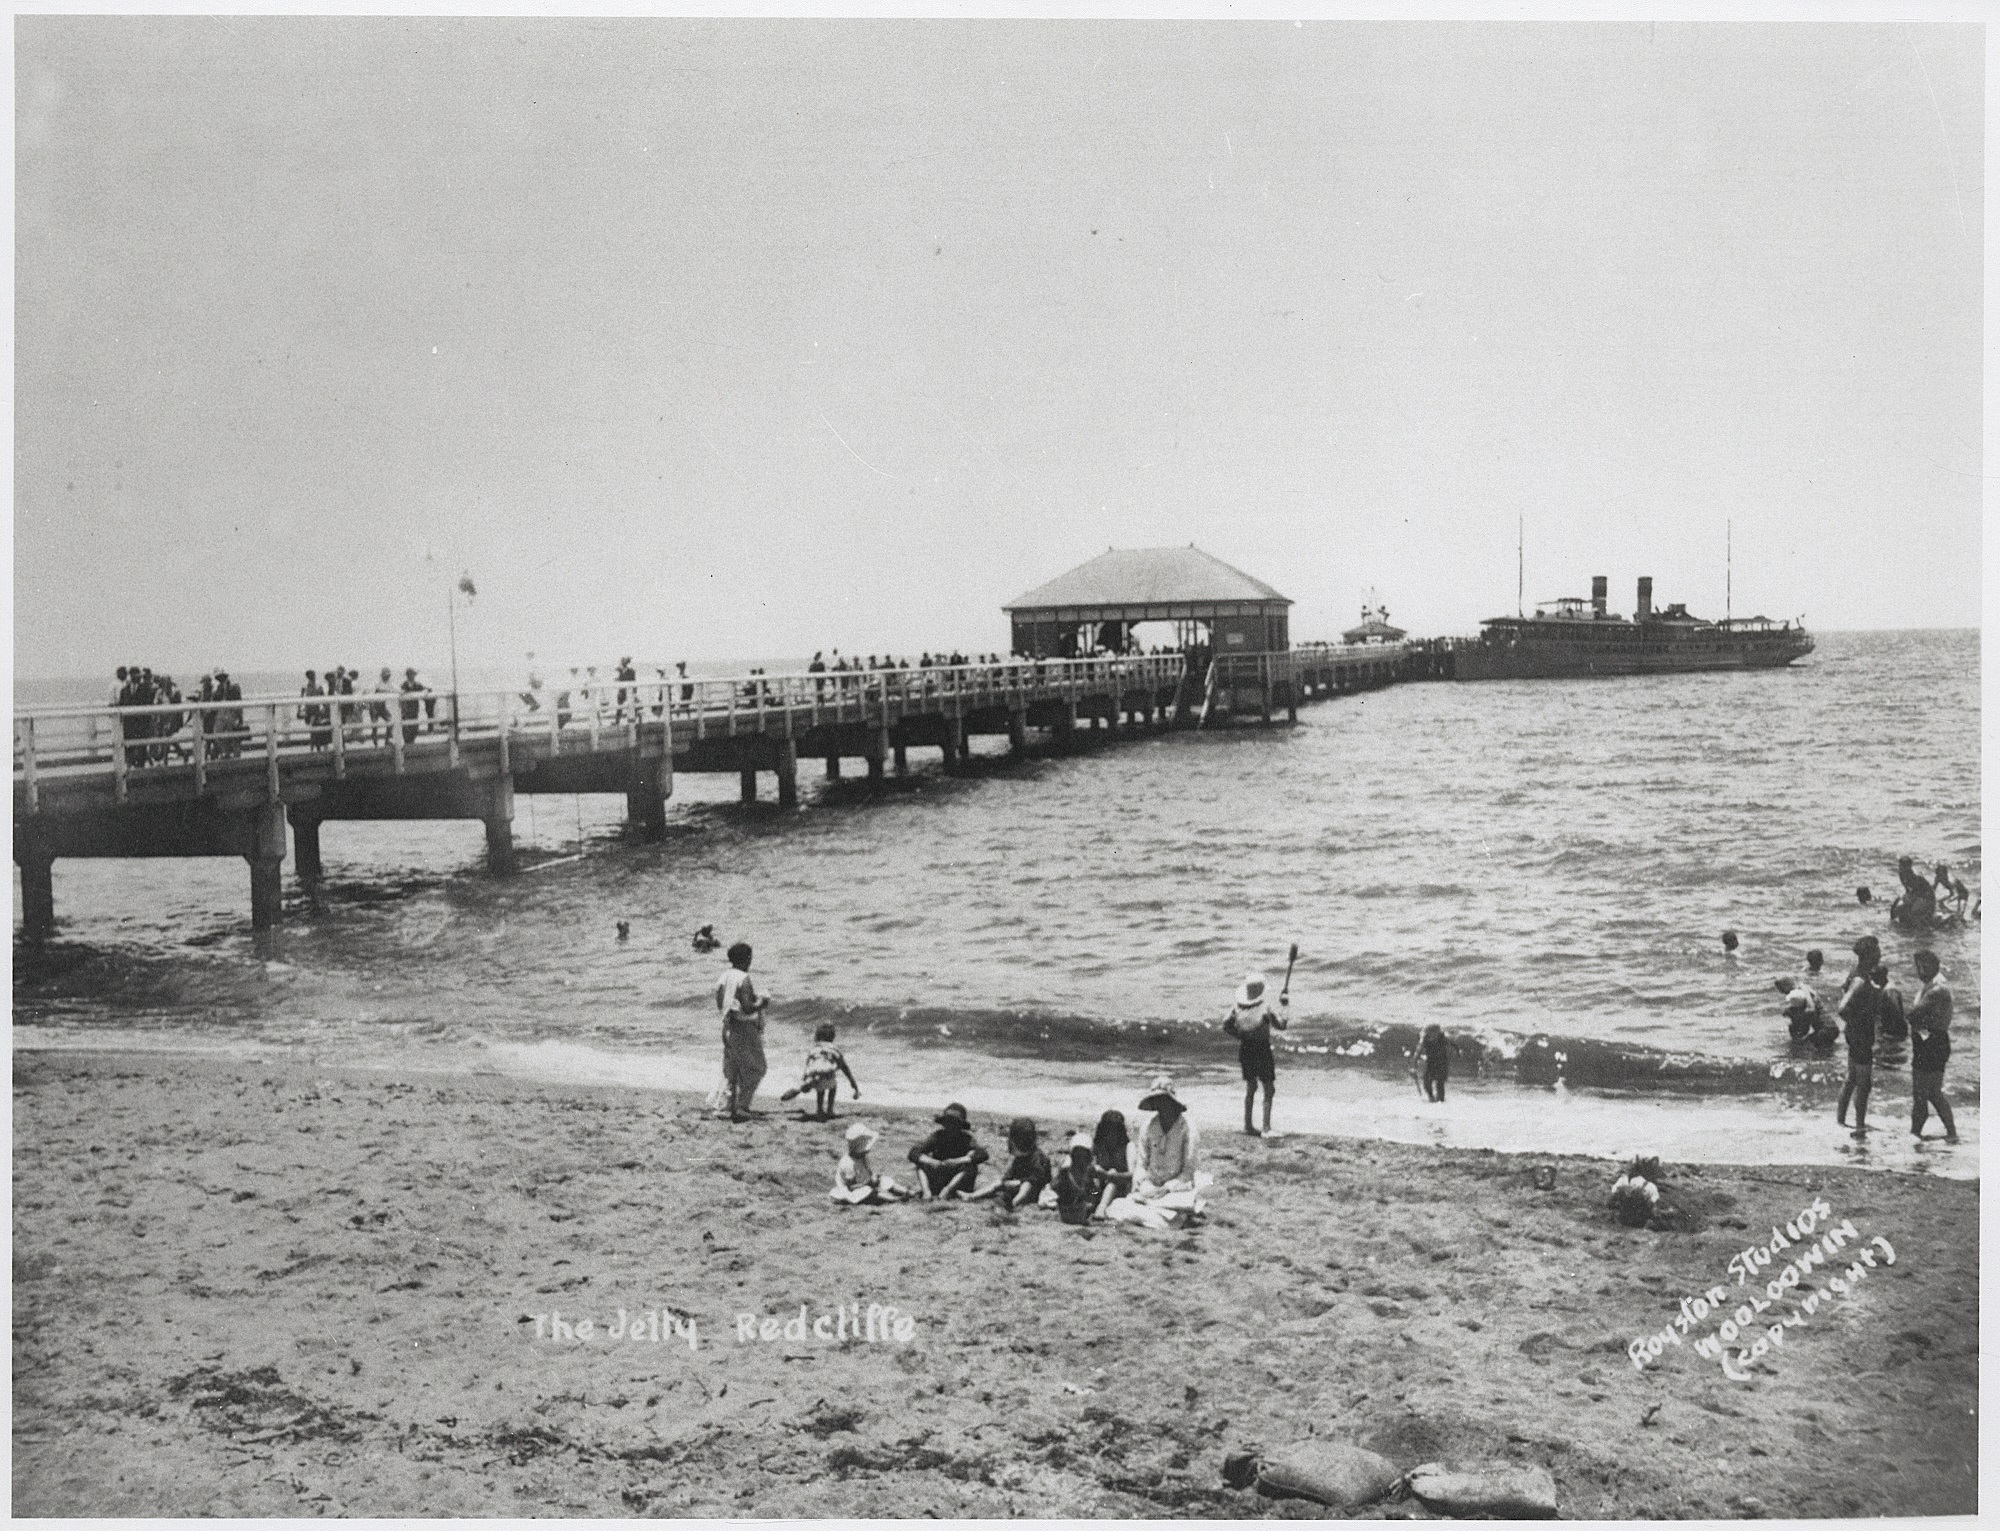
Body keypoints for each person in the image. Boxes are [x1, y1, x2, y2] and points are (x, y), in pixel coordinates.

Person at [1222, 971, 1288, 1136]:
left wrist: (1239, 1035)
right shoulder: (1265, 1008)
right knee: (1268, 1088)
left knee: (1251, 1087)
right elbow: (1281, 1025)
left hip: (1245, 1049)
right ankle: (1266, 1128)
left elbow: (1225, 1024)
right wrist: (1284, 1005)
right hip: (1262, 1049)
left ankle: (1248, 1125)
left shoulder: (1237, 1007)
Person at [714, 941, 769, 1123]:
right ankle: (742, 1106)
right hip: (743, 1028)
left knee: (732, 1069)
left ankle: (726, 1106)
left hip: (728, 1025)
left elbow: (721, 1002)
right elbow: (747, 1008)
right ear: (746, 959)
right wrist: (762, 1003)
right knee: (757, 1067)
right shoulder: (743, 978)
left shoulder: (723, 976)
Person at [1906, 950, 1957, 1142]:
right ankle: (1950, 1133)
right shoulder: (1929, 986)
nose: (1920, 970)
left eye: (1924, 966)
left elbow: (1915, 1014)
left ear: (1935, 965)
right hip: (1929, 1041)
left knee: (1923, 1093)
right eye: (1918, 966)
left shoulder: (1938, 989)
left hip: (1933, 1042)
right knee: (1931, 1093)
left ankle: (1915, 1133)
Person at [1835, 937, 1880, 1134]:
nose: (1880, 954)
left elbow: (1842, 990)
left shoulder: (1855, 972)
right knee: (1864, 1083)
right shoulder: (1861, 980)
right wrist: (1858, 1022)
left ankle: (1841, 1120)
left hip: (1854, 1033)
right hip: (1860, 1034)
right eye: (1877, 951)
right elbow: (1843, 1007)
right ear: (1870, 954)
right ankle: (1860, 1124)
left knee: (1852, 1077)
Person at [779, 1022, 860, 1120]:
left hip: (814, 1077)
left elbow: (808, 1066)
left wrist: (804, 1080)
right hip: (827, 1076)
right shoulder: (834, 1049)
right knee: (833, 1086)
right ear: (832, 1036)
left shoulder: (814, 1049)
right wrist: (854, 1085)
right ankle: (830, 1110)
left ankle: (819, 1110)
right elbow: (845, 1068)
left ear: (817, 1036)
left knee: (820, 1089)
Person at [907, 1103, 987, 1200]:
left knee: (971, 1167)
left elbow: (983, 1154)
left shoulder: (966, 1139)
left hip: (957, 1178)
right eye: (948, 1122)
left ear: (960, 1125)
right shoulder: (937, 1136)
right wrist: (932, 1161)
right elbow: (914, 1153)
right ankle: (926, 1191)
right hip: (939, 1174)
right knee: (920, 1163)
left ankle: (948, 1190)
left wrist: (957, 1161)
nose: (950, 1126)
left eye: (954, 1122)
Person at [968, 1118, 1051, 1210]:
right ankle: (973, 1196)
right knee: (997, 1183)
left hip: (1035, 1190)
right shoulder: (1019, 1158)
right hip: (1017, 1186)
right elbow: (1010, 1173)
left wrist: (1019, 1182)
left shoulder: (1038, 1157)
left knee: (1026, 1185)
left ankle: (1014, 1203)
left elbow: (1038, 1179)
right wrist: (1005, 1181)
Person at [830, 1123, 906, 1205]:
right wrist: (869, 1183)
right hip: (854, 1189)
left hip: (866, 1181)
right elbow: (851, 1185)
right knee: (869, 1191)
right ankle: (894, 1199)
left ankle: (907, 1191)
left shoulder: (862, 1157)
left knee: (884, 1180)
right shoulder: (848, 1163)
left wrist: (873, 1177)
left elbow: (868, 1170)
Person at [1090, 1110, 1133, 1218]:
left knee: (1112, 1182)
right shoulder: (1097, 1145)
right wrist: (1095, 1170)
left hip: (1120, 1188)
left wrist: (1111, 1175)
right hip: (1099, 1187)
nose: (1111, 1133)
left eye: (1115, 1129)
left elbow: (1132, 1175)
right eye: (1107, 1129)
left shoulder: (1128, 1147)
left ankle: (1101, 1208)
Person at [1050, 1132, 1098, 1225]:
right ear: (1072, 1156)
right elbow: (1055, 1186)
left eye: (1084, 1156)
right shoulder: (1067, 1172)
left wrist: (1091, 1200)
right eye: (1077, 1156)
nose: (1080, 1160)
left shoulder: (1089, 1172)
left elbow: (1093, 1190)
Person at [1870, 964, 1908, 1069]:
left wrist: (1889, 1031)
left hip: (1893, 1031)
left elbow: (1896, 1011)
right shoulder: (1885, 989)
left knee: (1887, 1057)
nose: (1872, 978)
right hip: (1890, 1031)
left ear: (1882, 976)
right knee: (1884, 1056)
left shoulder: (1890, 990)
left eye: (1874, 975)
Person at [1775, 976, 1830, 1045]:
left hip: (1825, 1030)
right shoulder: (1804, 988)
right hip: (1829, 1028)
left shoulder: (1802, 990)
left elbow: (1811, 1009)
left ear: (1787, 984)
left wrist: (1793, 1013)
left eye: (1782, 989)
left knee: (1800, 1044)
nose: (1782, 993)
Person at [1415, 1023, 1450, 1101]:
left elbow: (1451, 1049)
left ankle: (1441, 1102)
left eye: (1435, 1032)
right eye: (1429, 1032)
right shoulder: (1425, 1039)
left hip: (1442, 1063)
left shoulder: (1443, 1039)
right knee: (1426, 1083)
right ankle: (1431, 1098)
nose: (1432, 1035)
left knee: (1440, 1084)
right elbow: (1418, 1052)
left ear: (1438, 1032)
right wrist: (1413, 1065)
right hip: (1431, 1063)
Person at [399, 668, 425, 744]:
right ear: (407, 675)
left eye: (413, 674)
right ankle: (407, 743)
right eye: (410, 674)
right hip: (406, 710)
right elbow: (400, 696)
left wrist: (426, 691)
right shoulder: (403, 685)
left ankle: (412, 743)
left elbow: (424, 689)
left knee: (414, 727)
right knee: (406, 727)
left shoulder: (418, 685)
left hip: (414, 709)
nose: (412, 676)